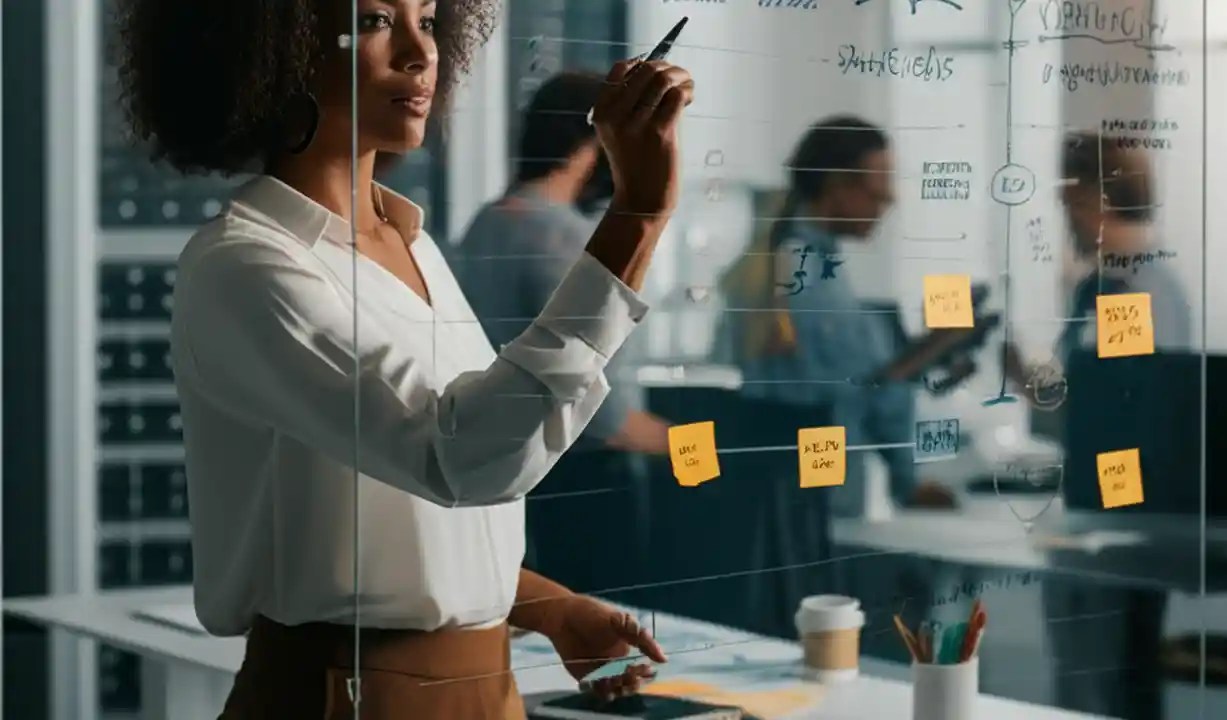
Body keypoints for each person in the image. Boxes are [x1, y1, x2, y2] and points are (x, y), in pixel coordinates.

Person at [117, 0, 693, 717]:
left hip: (488, 690)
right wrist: (637, 215)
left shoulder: (410, 243)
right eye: (374, 21)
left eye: (429, 18)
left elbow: (398, 507)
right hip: (347, 696)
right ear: (275, 50)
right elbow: (463, 456)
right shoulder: (246, 268)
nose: (421, 53)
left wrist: (550, 609)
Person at [452, 72, 671, 599]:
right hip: (584, 490)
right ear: (595, 146)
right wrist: (709, 453)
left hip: (503, 480)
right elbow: (608, 421)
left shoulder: (484, 224)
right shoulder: (571, 238)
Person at [1005, 134, 1187, 720]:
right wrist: (1022, 377)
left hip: (1113, 527)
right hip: (1106, 519)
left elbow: (1122, 417)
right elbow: (1092, 405)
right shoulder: (1101, 286)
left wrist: (1098, 526)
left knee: (1100, 690)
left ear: (1095, 199)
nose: (1067, 223)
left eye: (1068, 204)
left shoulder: (1131, 289)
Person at [717, 116, 959, 515]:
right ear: (836, 184)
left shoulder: (788, 261)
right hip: (816, 501)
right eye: (877, 191)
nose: (889, 202)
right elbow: (858, 393)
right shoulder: (805, 274)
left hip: (793, 495)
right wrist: (928, 350)